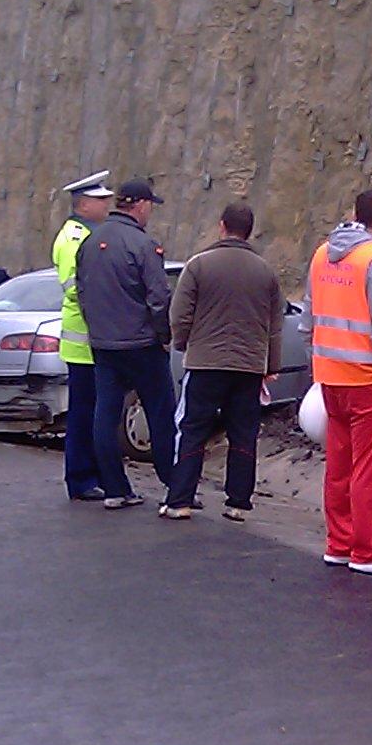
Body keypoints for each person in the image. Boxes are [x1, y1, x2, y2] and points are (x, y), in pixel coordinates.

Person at [162, 202, 285, 521]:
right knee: (243, 433)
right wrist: (271, 365)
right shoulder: (265, 272)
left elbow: (180, 314)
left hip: (205, 362)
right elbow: (275, 324)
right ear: (250, 231)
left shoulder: (199, 265)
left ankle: (180, 500)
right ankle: (238, 502)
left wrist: (183, 343)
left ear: (221, 226)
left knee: (192, 428)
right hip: (247, 366)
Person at [310, 189, 372, 575]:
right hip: (369, 380)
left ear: (353, 213)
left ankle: (339, 542)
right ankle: (368, 552)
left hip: (330, 375)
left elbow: (309, 318)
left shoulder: (322, 254)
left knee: (340, 464)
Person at [76, 179, 176, 509]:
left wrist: (97, 331)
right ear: (141, 205)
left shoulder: (89, 244)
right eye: (150, 206)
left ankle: (115, 489)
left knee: (105, 413)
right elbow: (159, 298)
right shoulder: (143, 245)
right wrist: (164, 337)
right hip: (141, 344)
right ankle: (173, 487)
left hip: (104, 344)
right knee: (160, 414)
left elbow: (82, 294)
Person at [53, 172, 115, 501]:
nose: (107, 205)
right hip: (83, 345)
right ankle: (80, 479)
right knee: (82, 415)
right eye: (101, 200)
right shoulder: (74, 238)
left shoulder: (89, 234)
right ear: (84, 204)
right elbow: (77, 290)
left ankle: (96, 475)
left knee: (95, 413)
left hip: (93, 342)